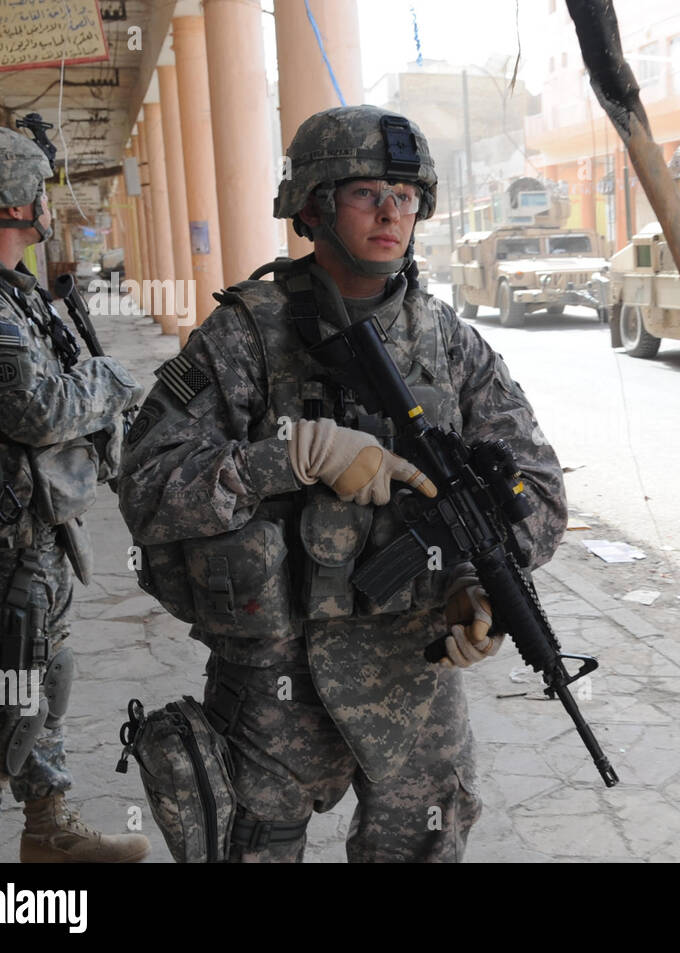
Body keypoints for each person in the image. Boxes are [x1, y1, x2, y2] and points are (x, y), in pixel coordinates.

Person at [118, 106, 567, 862]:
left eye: (407, 194)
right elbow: (145, 482)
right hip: (274, 673)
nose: (393, 212)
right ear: (314, 206)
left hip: (413, 671)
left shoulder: (446, 341)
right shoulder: (244, 336)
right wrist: (292, 457)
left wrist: (476, 580)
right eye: (367, 193)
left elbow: (540, 494)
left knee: (428, 840)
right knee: (253, 844)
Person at [0, 118, 149, 862]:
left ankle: (49, 825)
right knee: (1, 719)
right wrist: (109, 378)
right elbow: (38, 407)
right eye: (38, 191)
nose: (45, 206)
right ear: (18, 201)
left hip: (28, 532)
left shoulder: (3, 289)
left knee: (42, 685)